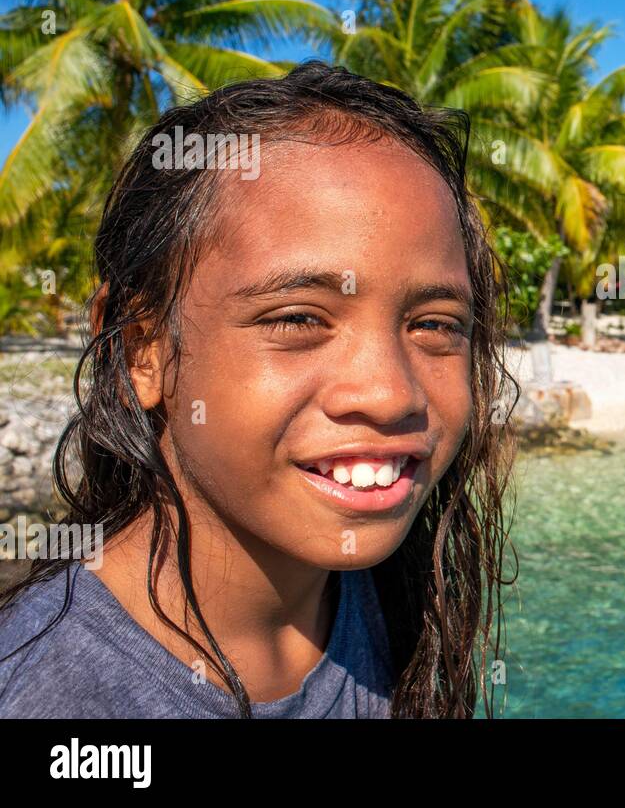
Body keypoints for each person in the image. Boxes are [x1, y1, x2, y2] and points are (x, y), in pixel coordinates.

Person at [0, 63, 516, 718]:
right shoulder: (52, 698)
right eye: (298, 317)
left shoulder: (384, 593)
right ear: (141, 346)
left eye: (434, 324)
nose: (390, 394)